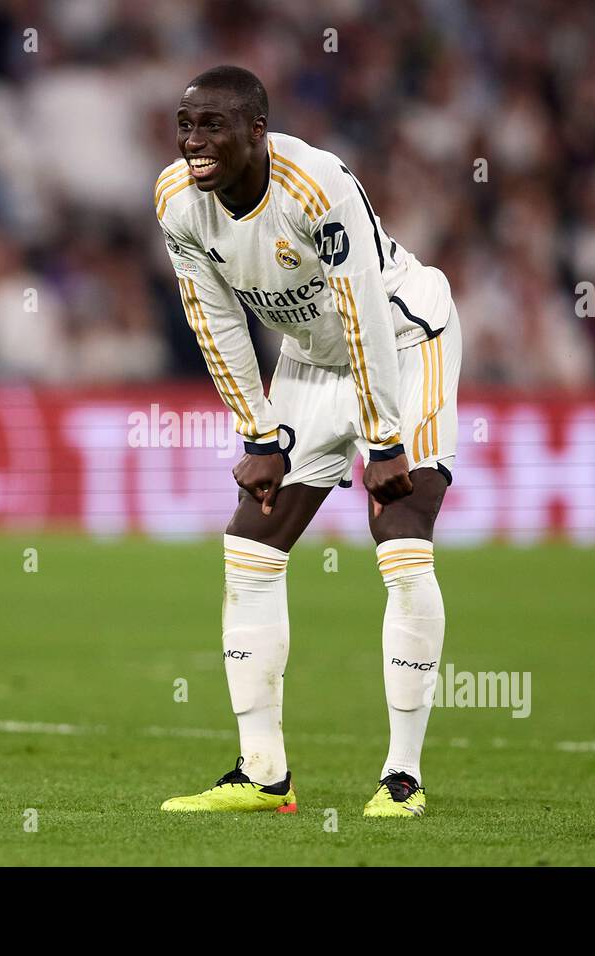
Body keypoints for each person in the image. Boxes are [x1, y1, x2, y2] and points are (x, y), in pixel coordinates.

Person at [155, 66, 462, 818]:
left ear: (257, 131)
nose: (195, 143)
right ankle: (263, 773)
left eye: (212, 126)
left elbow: (358, 304)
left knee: (399, 534)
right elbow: (214, 321)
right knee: (251, 545)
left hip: (400, 340)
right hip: (310, 359)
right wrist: (259, 431)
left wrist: (384, 442)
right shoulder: (177, 203)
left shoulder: (315, 186)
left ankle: (402, 777)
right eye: (185, 125)